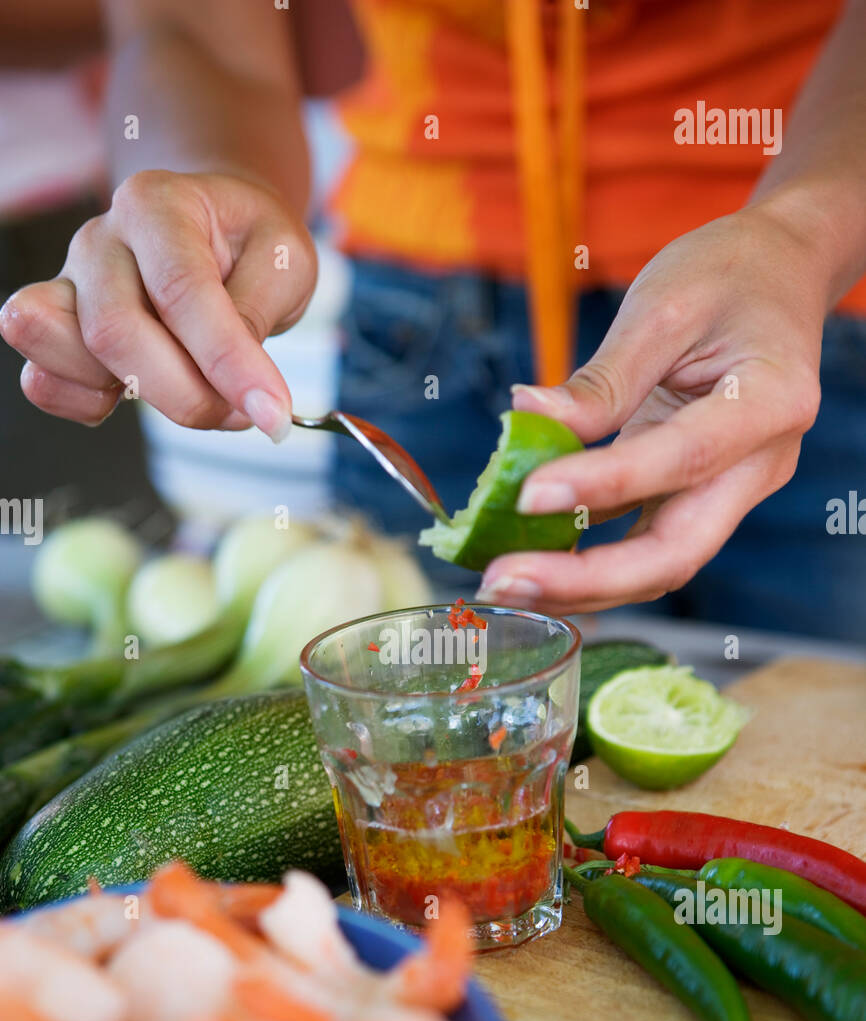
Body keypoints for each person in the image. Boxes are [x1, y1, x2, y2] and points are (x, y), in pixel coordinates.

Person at [1, 0, 865, 638]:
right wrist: (200, 189)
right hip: (422, 317)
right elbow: (196, 30)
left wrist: (803, 230)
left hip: (797, 306)